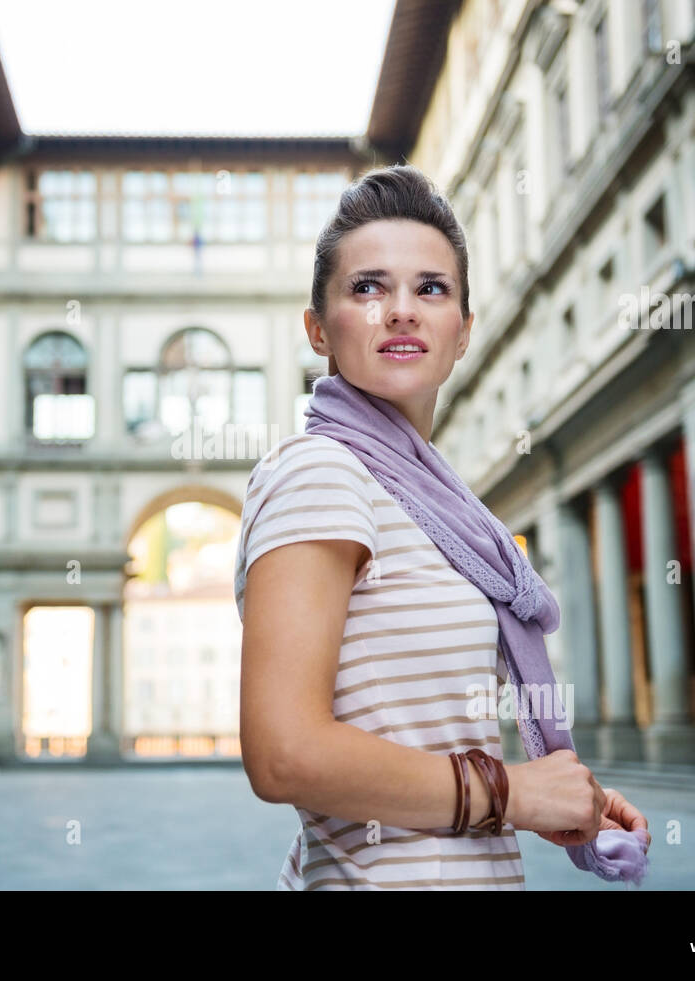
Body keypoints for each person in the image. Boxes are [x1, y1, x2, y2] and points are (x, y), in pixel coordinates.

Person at [234, 164, 650, 890]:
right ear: (317, 328)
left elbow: (421, 737)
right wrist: (514, 791)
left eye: (431, 288)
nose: (401, 310)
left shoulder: (441, 510)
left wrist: (556, 794)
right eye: (367, 287)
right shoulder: (320, 473)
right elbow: (284, 753)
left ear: (462, 332)